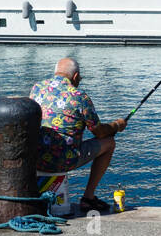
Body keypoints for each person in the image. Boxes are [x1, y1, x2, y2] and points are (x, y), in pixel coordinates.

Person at [29, 57, 126, 213]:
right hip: (62, 160)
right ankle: (88, 197)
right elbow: (99, 132)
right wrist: (117, 125)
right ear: (75, 77)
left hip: (35, 158)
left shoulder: (37, 88)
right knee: (109, 143)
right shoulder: (79, 96)